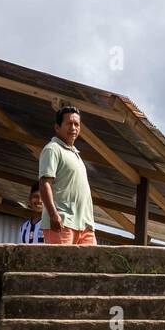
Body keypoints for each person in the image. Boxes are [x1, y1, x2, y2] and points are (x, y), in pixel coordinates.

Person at [38, 105, 97, 246]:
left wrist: (89, 223)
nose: (73, 128)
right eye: (69, 123)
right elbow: (44, 183)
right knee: (61, 267)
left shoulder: (75, 153)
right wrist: (53, 215)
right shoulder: (52, 149)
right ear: (57, 127)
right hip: (62, 222)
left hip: (85, 224)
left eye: (76, 124)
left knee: (90, 267)